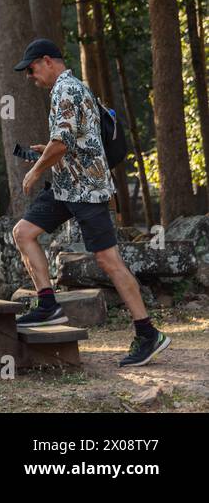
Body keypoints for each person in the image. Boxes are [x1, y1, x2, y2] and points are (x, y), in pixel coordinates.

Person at [10, 38, 170, 366]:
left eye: (31, 69)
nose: (29, 76)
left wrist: (36, 171)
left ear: (47, 61)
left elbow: (63, 143)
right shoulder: (68, 89)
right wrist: (49, 153)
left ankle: (147, 332)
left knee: (108, 261)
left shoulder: (66, 89)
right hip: (66, 186)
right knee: (23, 233)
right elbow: (69, 141)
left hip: (86, 189)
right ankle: (47, 305)